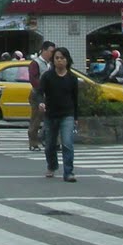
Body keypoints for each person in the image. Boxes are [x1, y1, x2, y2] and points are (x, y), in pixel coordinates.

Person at [37, 45, 81, 182]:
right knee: (50, 144)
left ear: (67, 60)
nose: (59, 61)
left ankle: (69, 172)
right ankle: (52, 165)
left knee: (67, 143)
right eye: (56, 58)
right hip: (51, 114)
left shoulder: (72, 78)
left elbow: (75, 98)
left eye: (62, 58)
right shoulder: (47, 76)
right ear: (53, 60)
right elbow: (39, 92)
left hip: (67, 114)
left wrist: (76, 117)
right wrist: (41, 102)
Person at [27, 42, 55, 151]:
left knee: (52, 119)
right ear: (44, 50)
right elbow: (33, 80)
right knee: (36, 119)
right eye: (51, 51)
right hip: (37, 95)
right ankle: (33, 142)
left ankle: (52, 142)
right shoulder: (35, 63)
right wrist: (43, 88)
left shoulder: (51, 64)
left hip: (51, 95)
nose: (52, 54)